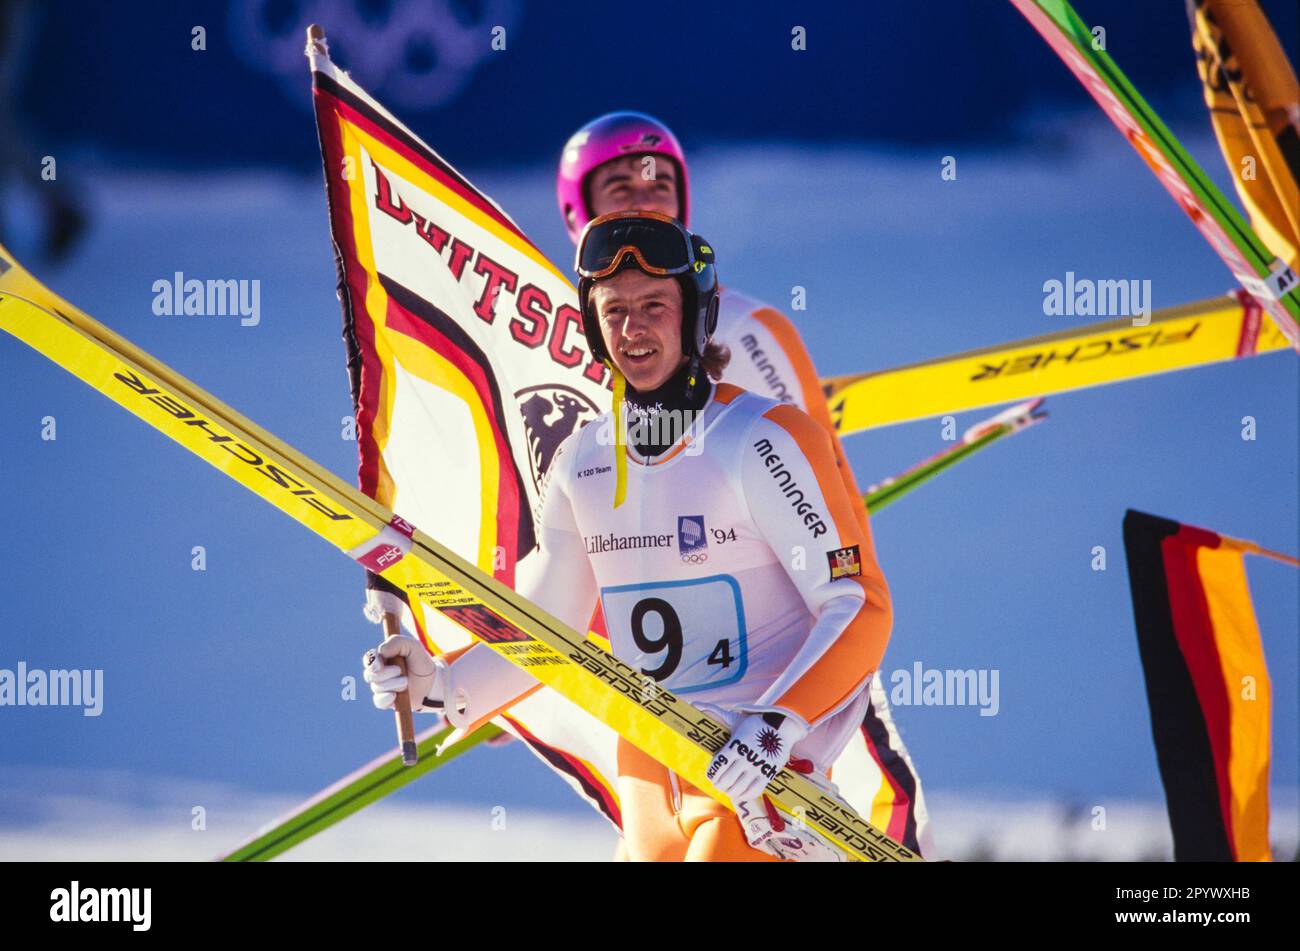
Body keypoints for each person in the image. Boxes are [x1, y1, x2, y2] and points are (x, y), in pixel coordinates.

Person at [367, 212, 893, 861]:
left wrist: (776, 727)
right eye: (612, 311)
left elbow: (858, 603)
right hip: (646, 797)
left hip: (756, 793)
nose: (633, 329)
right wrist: (442, 684)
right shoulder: (583, 458)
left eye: (654, 306)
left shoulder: (762, 439)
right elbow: (546, 631)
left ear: (696, 316)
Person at [555, 111, 931, 854]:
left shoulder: (747, 329)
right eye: (620, 181)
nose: (646, 193)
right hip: (660, 688)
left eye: (661, 179)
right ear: (577, 211)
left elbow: (827, 493)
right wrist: (470, 683)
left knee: (863, 816)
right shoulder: (573, 349)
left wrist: (820, 665)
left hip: (794, 647)